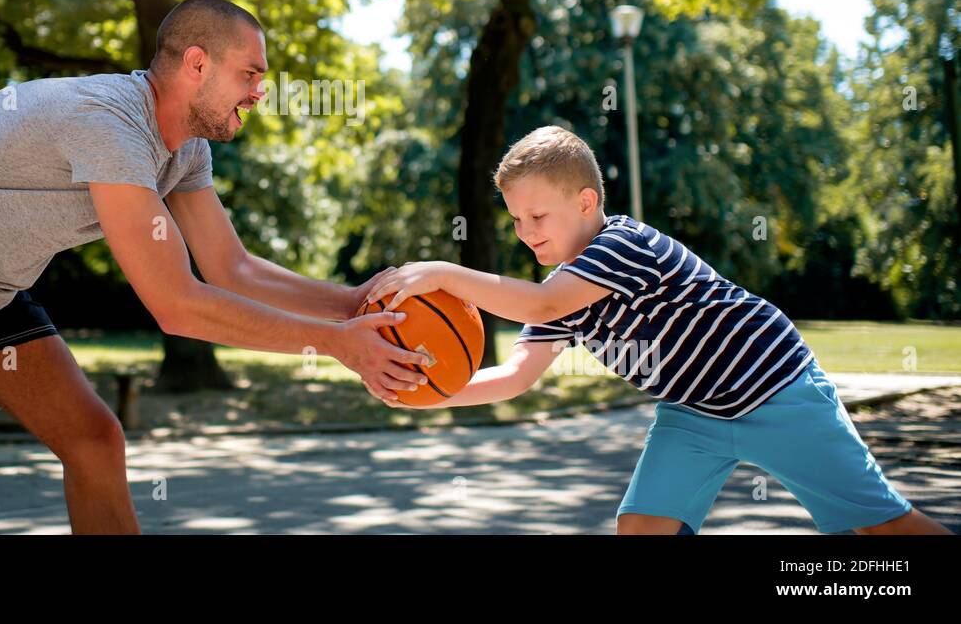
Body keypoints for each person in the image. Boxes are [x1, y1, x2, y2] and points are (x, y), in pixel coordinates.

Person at [0, 0, 431, 534]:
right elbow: (176, 305)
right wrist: (336, 344)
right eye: (249, 74)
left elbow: (232, 269)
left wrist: (357, 304)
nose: (259, 92)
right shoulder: (111, 123)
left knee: (95, 442)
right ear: (196, 65)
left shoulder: (185, 147)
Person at [362, 125, 952, 535]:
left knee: (882, 524)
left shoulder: (622, 244)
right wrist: (431, 393)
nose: (524, 231)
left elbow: (539, 305)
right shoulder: (564, 285)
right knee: (641, 526)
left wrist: (443, 272)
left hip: (774, 389)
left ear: (587, 201)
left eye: (537, 216)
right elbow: (518, 375)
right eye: (516, 219)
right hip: (694, 413)